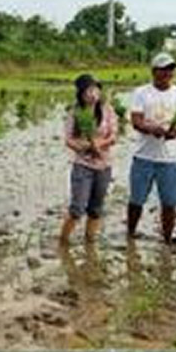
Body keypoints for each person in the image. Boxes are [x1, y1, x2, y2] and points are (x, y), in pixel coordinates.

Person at [128, 52, 176, 244]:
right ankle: (130, 233)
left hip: (171, 159)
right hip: (144, 157)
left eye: (170, 69)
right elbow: (136, 120)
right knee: (136, 200)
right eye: (163, 69)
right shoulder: (142, 92)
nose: (167, 73)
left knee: (170, 203)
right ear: (154, 71)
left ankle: (167, 238)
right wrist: (152, 129)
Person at [61, 73, 118, 244]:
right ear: (80, 94)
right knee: (77, 208)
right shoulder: (75, 113)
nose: (92, 95)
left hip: (104, 166)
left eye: (95, 90)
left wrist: (99, 144)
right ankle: (63, 242)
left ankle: (90, 242)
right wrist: (84, 146)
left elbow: (114, 135)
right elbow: (69, 139)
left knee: (96, 209)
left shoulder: (107, 110)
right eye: (88, 91)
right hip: (83, 166)